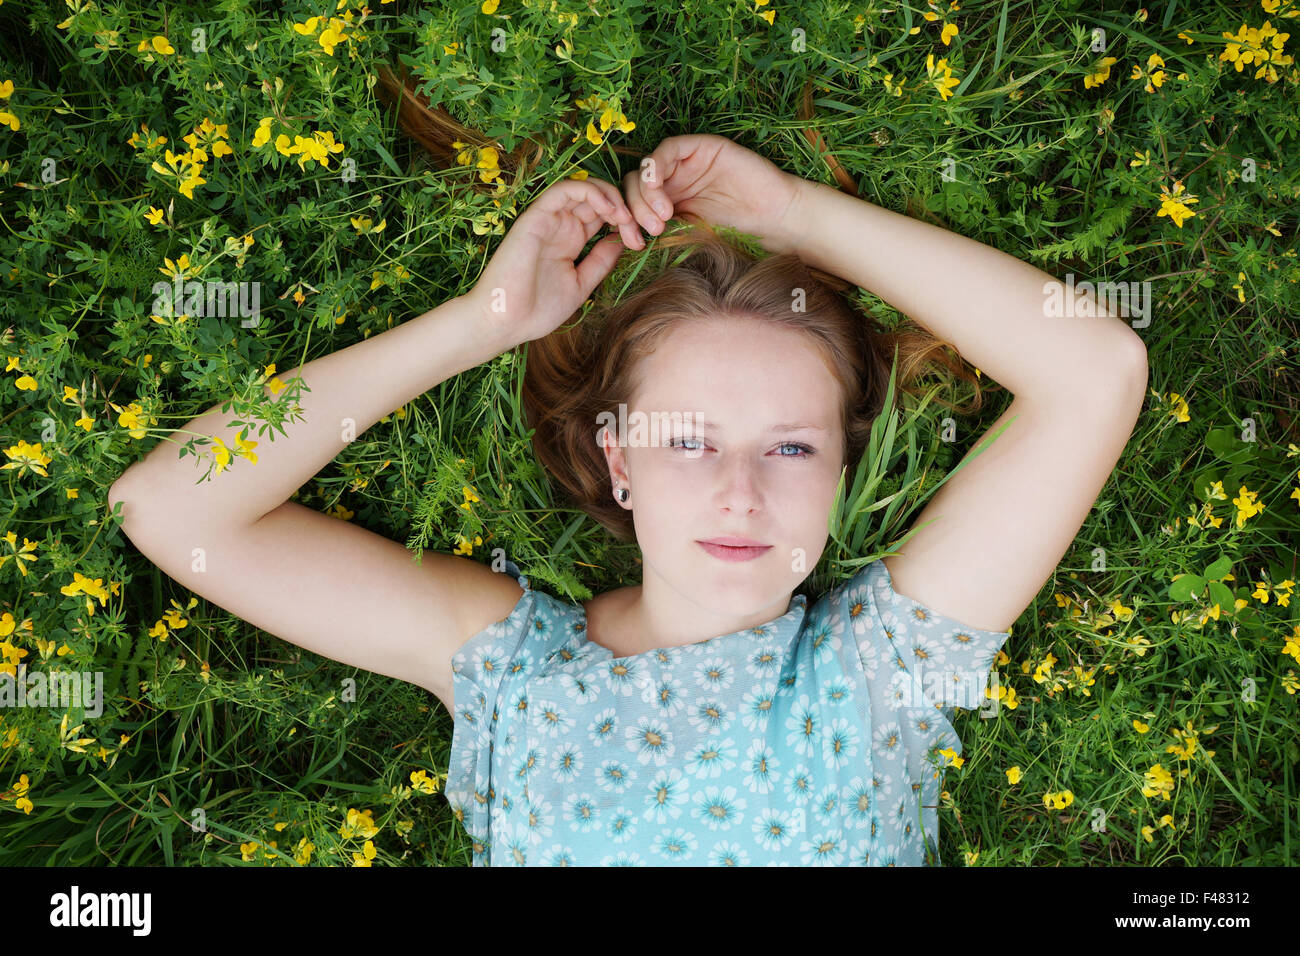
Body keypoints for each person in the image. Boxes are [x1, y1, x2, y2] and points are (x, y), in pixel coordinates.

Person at [109, 125, 1148, 866]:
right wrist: (482, 323)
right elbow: (171, 509)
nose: (740, 494)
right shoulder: (508, 671)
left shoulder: (881, 674)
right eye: (688, 441)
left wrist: (793, 215)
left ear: (841, 471)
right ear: (618, 460)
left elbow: (1094, 372)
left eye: (790, 447)